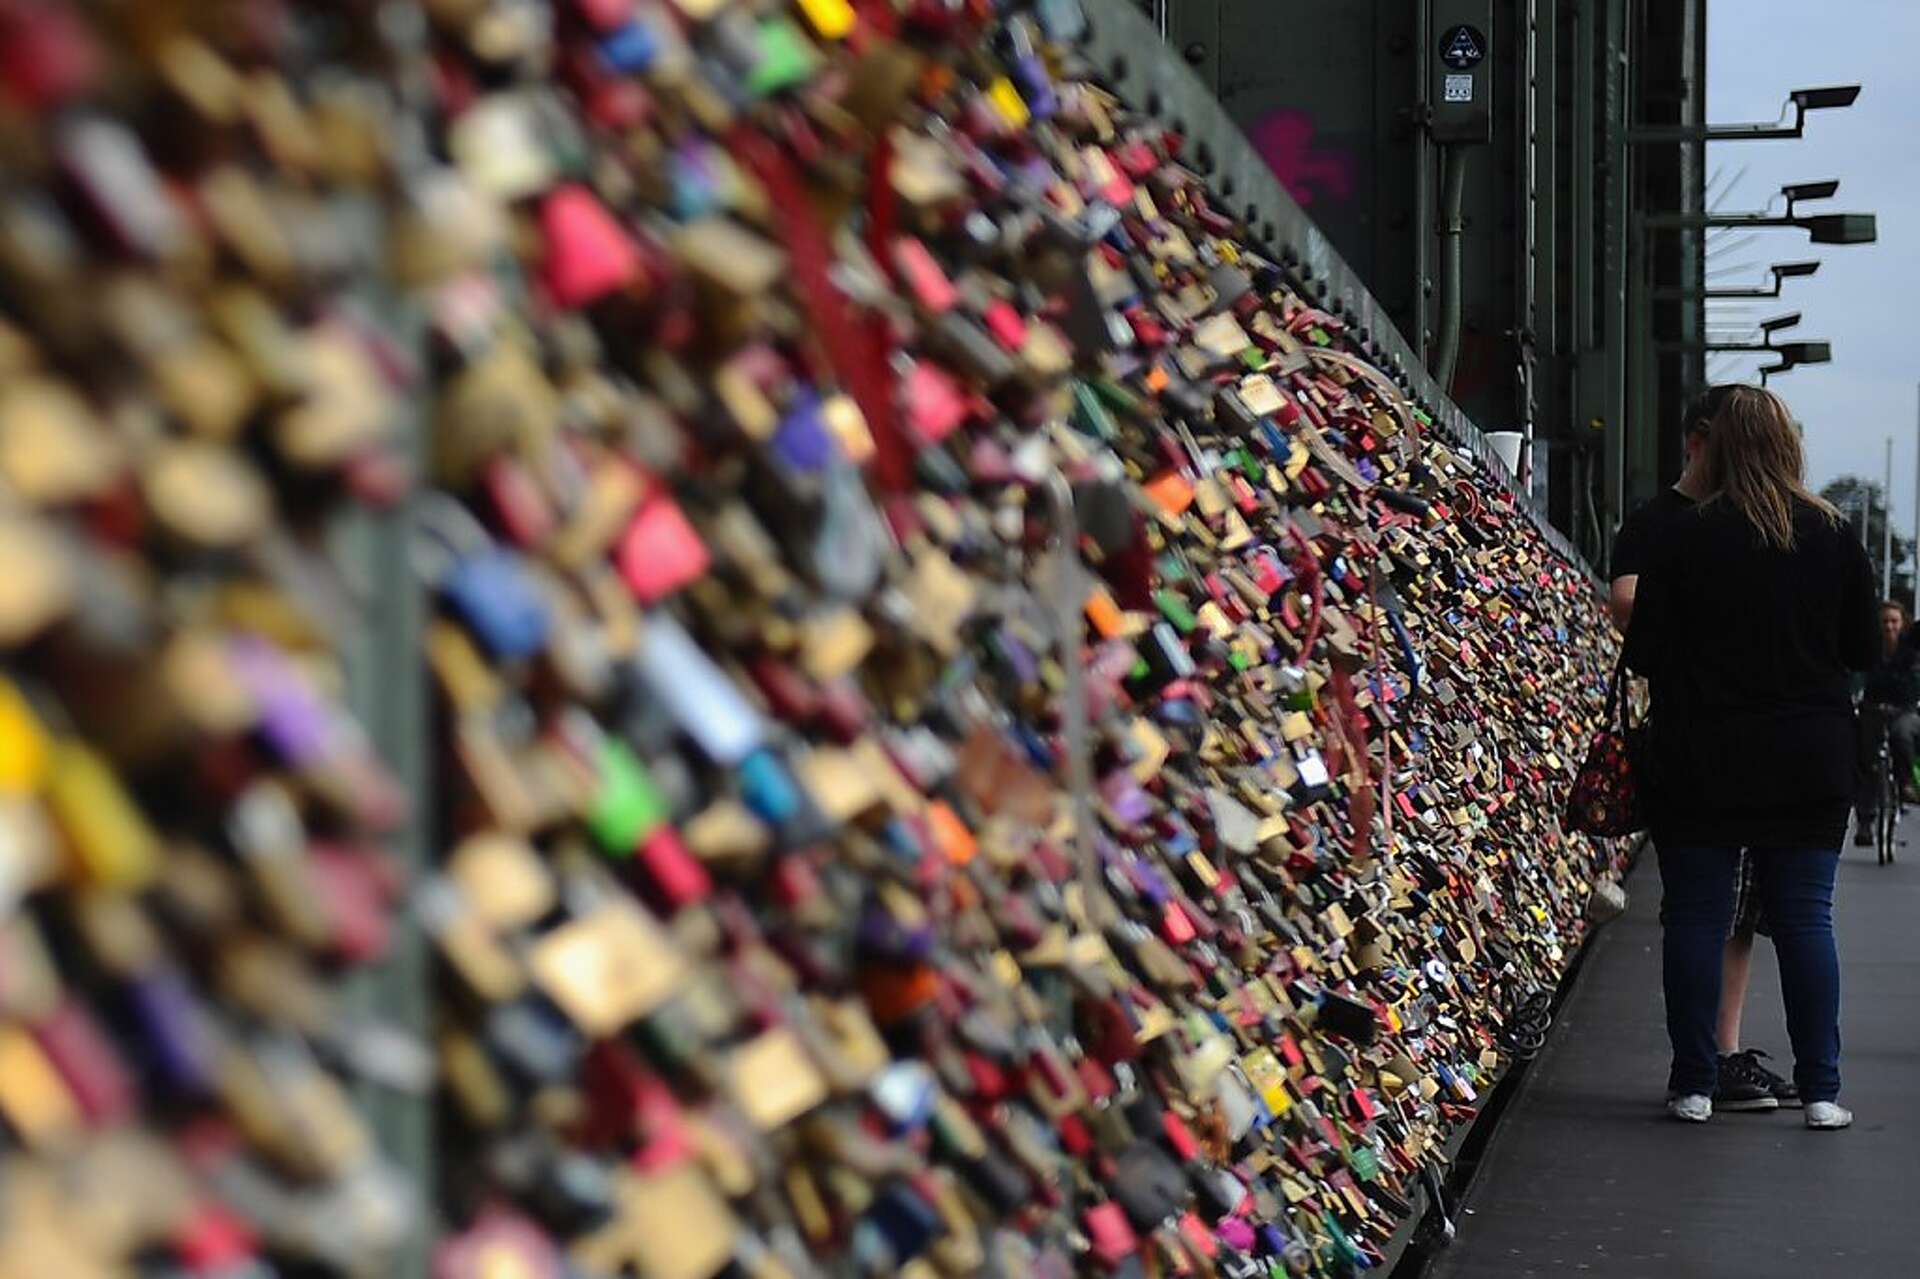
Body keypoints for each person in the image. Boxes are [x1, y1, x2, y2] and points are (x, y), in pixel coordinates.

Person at [1624, 385, 1877, 1131]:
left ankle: (1694, 1083)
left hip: (1702, 753)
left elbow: (1644, 652)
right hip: (1808, 756)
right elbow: (1863, 648)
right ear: (1791, 445)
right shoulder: (1835, 534)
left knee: (1698, 919)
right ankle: (1822, 1088)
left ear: (1720, 447)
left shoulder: (1685, 537)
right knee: (1806, 919)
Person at [1609, 384, 1796, 1113]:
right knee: (1703, 901)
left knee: (1740, 907)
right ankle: (1700, 1058)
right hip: (1698, 729)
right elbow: (1624, 597)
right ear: (1698, 440)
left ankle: (1720, 1050)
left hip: (1732, 731)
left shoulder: (1746, 518)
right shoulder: (1663, 521)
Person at [1853, 599, 1920, 843]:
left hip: (1904, 711)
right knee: (1865, 757)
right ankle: (1864, 821)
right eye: (1884, 622)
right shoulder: (1868, 647)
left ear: (1902, 624)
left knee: (1903, 736)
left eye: (1894, 621)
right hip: (1873, 710)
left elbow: (1914, 683)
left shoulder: (1911, 651)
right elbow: (1857, 677)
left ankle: (1904, 785)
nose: (1889, 626)